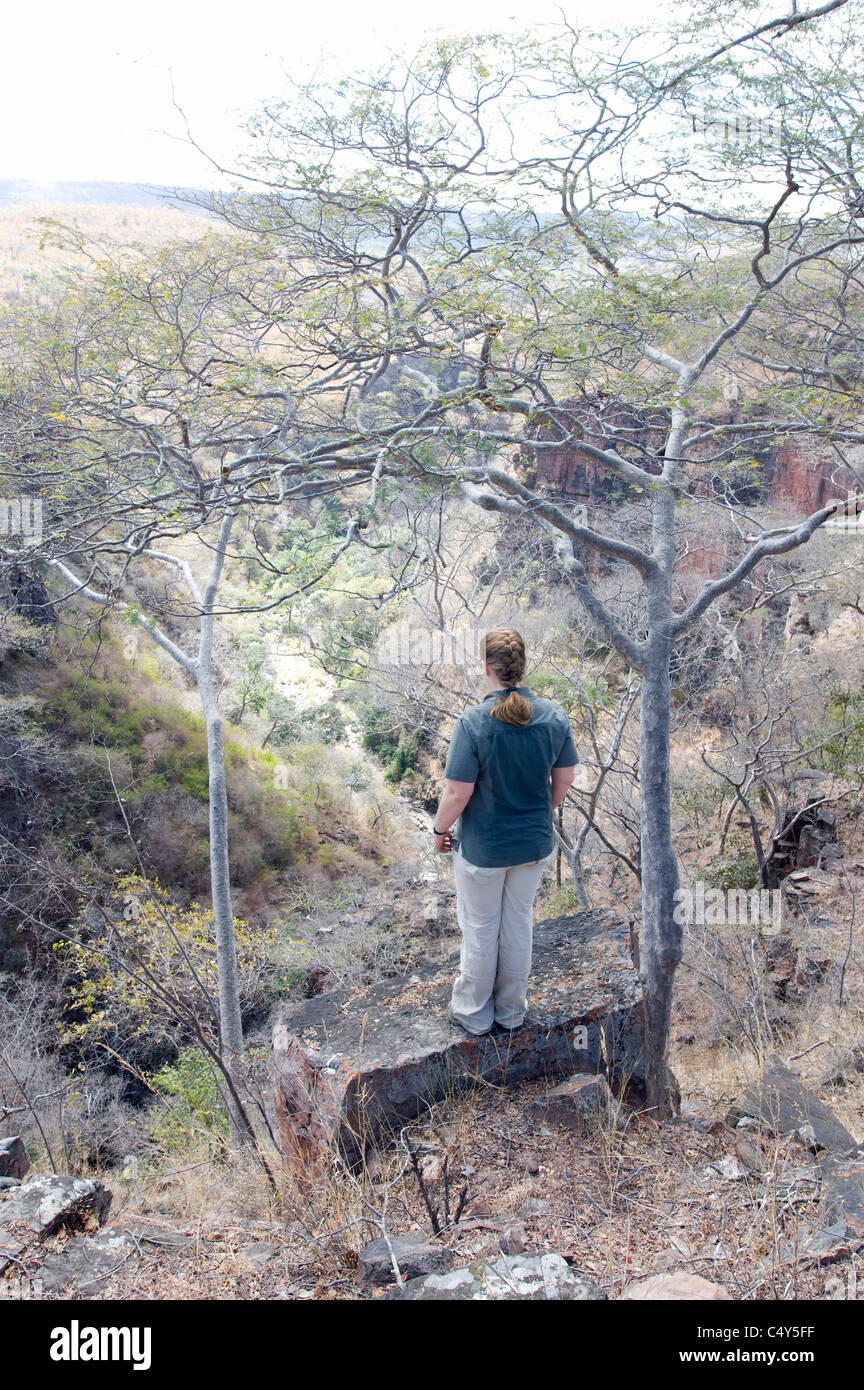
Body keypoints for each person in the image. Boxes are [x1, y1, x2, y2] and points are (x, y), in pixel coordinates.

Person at [433, 628, 578, 1036]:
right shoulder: (552, 715)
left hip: (483, 848)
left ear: (487, 668)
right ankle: (511, 1011)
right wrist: (540, 810)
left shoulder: (473, 722)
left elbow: (457, 793)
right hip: (533, 844)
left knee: (481, 927)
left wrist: (439, 830)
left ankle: (474, 1014)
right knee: (517, 922)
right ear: (522, 666)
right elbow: (564, 778)